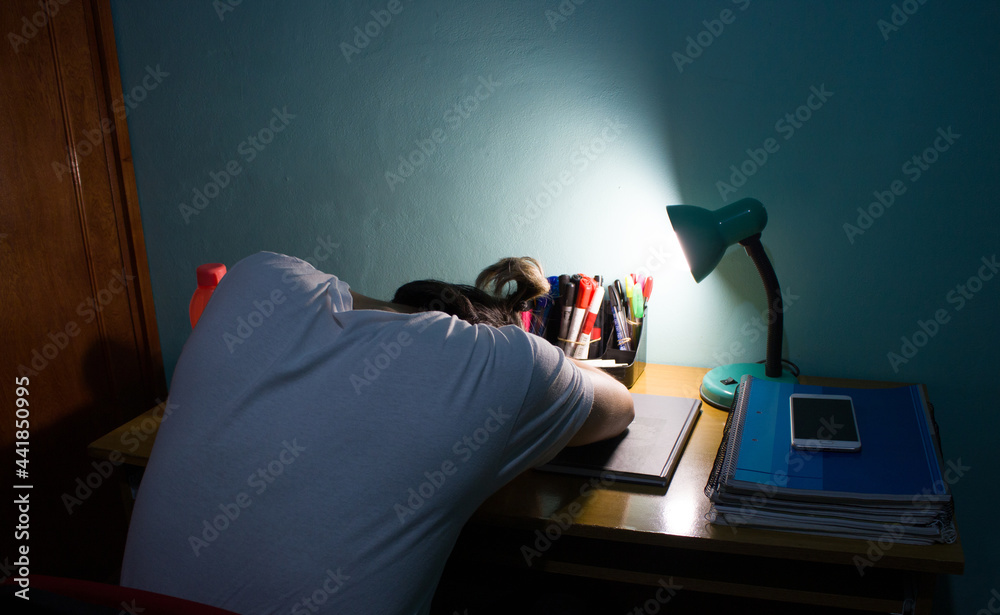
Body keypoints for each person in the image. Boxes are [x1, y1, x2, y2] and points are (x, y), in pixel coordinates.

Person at [121, 251, 634, 614]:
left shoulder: (257, 280)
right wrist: (539, 359)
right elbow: (621, 406)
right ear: (488, 329)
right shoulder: (502, 366)